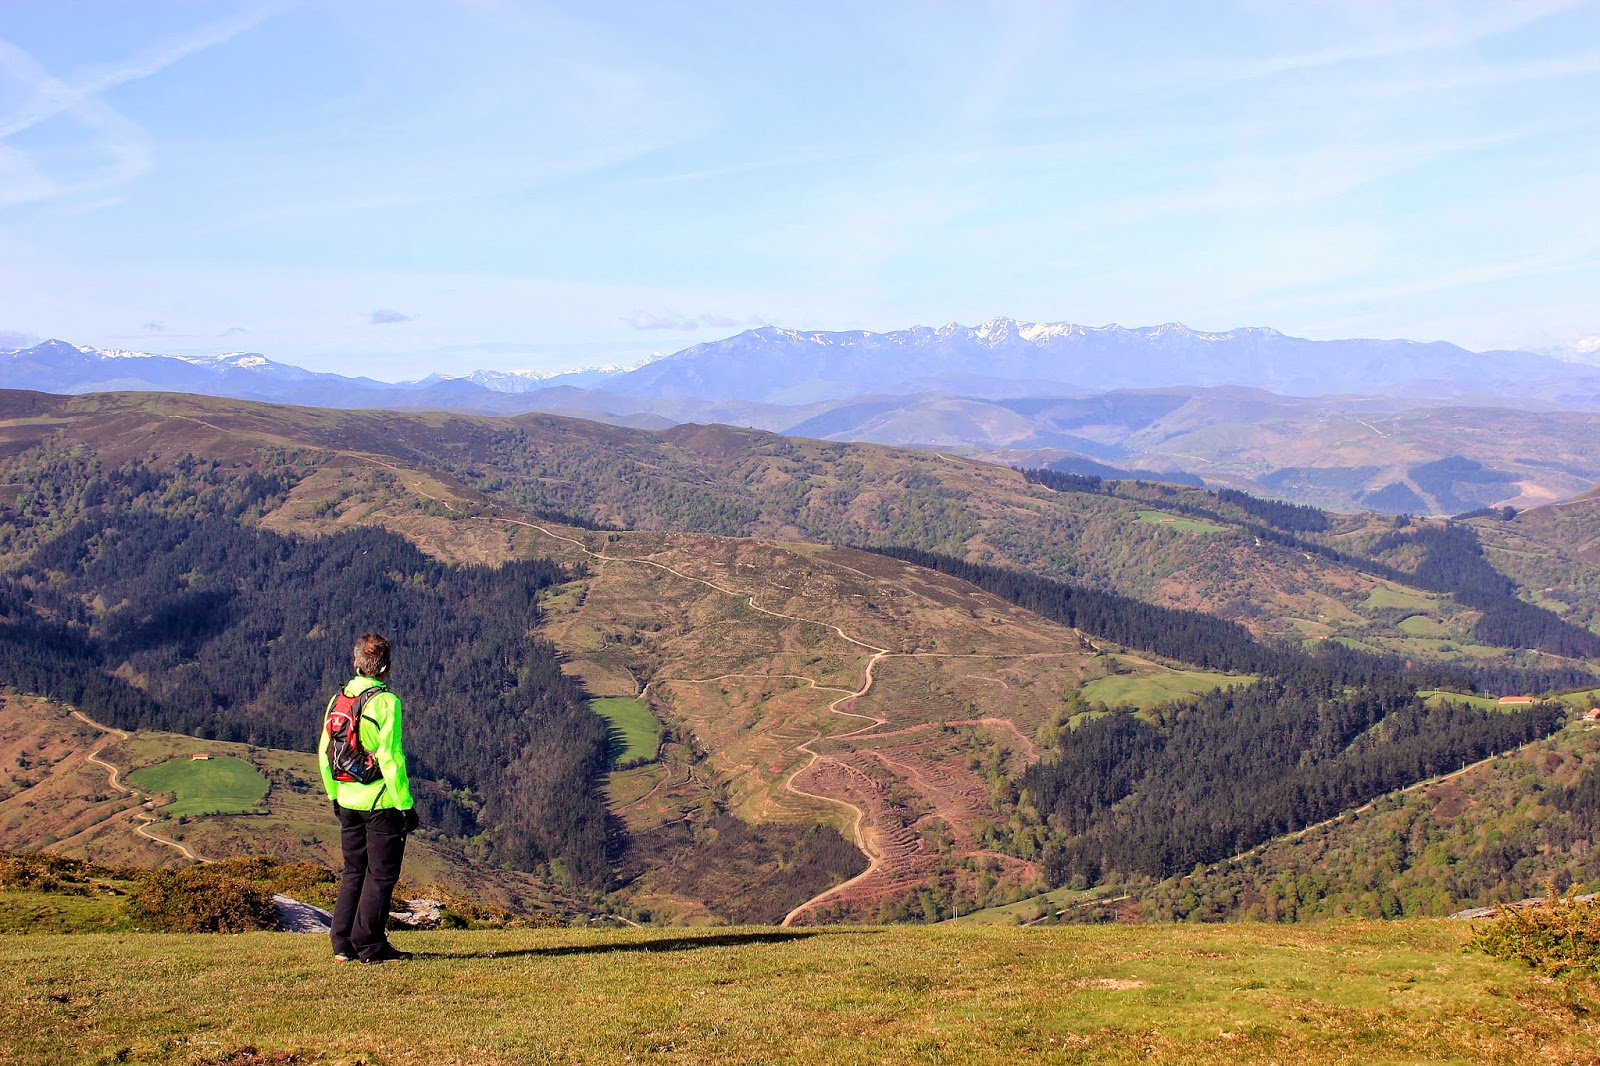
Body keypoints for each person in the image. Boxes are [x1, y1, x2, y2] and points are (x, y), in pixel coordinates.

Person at [318, 632, 419, 963]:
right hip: (379, 803)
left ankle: (342, 941)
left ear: (356, 663)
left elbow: (324, 751)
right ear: (387, 667)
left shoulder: (339, 700)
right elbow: (391, 758)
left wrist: (334, 794)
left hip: (346, 798)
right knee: (381, 874)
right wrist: (405, 805)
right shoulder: (387, 703)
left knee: (353, 871)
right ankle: (370, 944)